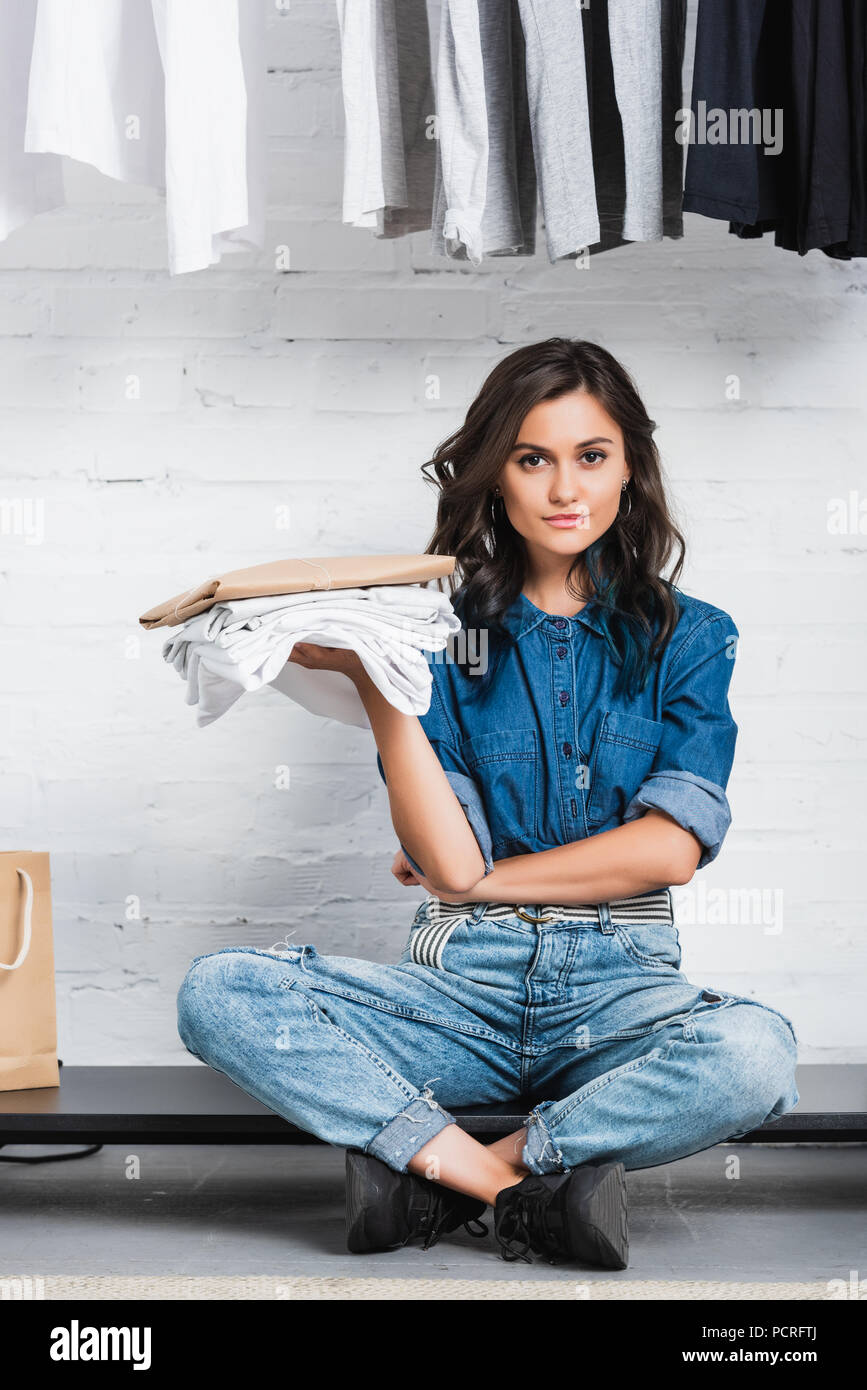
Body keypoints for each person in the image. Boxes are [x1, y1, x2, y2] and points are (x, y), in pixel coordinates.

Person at [176, 338, 799, 1268]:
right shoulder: (433, 639)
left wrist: (475, 878)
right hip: (457, 992)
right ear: (495, 475)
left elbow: (667, 850)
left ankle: (443, 1177)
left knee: (753, 1054)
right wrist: (379, 675)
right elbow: (444, 859)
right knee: (217, 991)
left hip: (618, 989)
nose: (564, 489)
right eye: (532, 458)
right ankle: (520, 1198)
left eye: (591, 457)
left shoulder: (693, 637)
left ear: (629, 468)